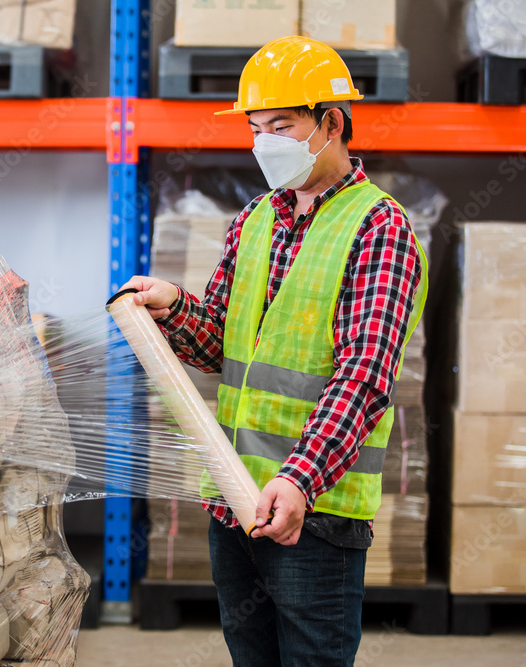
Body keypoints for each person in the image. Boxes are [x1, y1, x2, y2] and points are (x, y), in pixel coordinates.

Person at [122, 36, 427, 666]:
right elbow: (219, 347)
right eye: (257, 128)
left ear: (331, 124)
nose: (266, 144)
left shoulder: (380, 228)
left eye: (282, 126)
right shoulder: (255, 218)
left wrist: (299, 481)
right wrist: (174, 306)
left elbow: (364, 377)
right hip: (235, 504)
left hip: (313, 515)